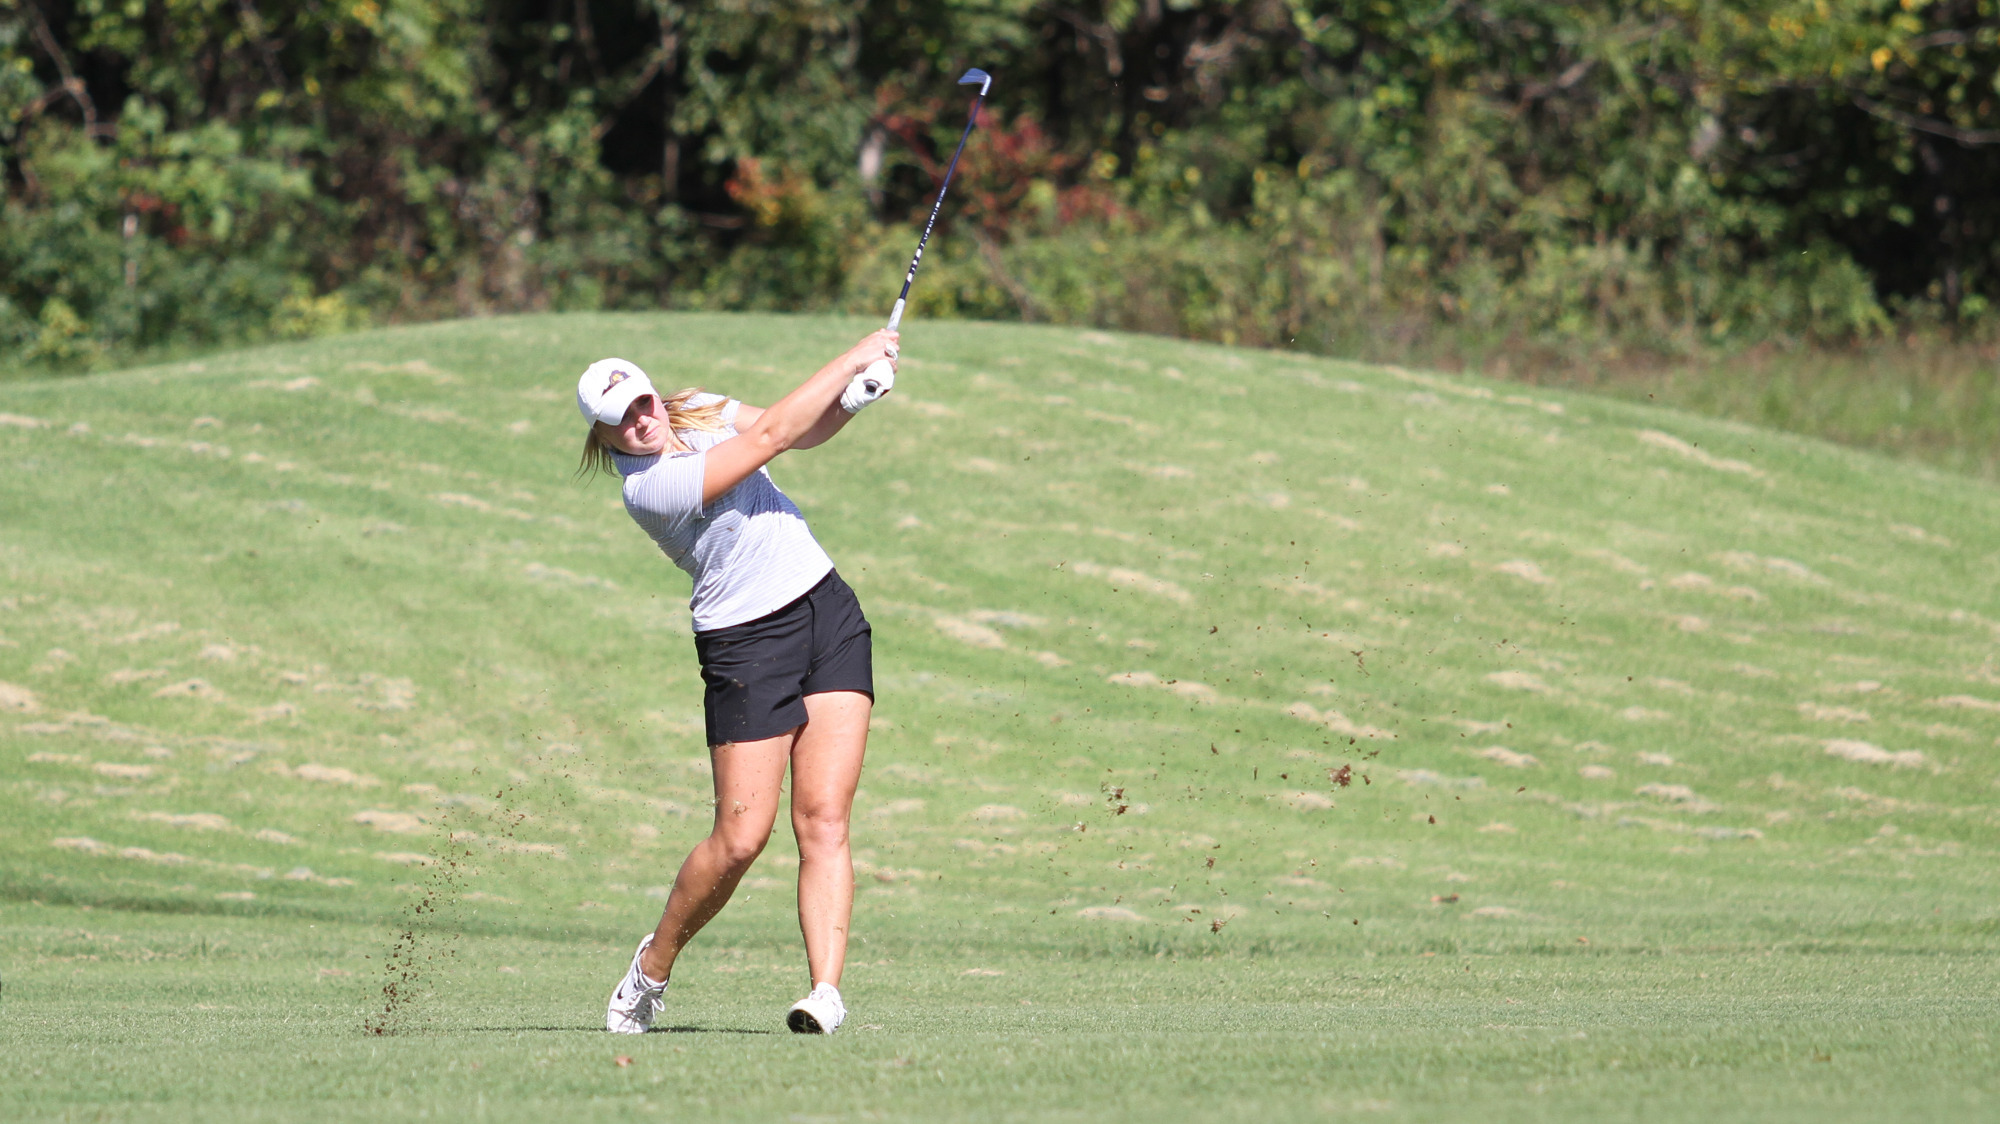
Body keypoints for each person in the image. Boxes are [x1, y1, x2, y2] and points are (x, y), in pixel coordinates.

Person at [576, 328, 899, 1035]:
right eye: (622, 421)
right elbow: (773, 437)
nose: (641, 420)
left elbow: (802, 433)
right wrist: (851, 353)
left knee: (824, 819)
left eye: (642, 402)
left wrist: (852, 398)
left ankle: (825, 992)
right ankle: (651, 968)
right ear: (607, 440)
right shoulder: (651, 490)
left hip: (828, 611)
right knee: (740, 839)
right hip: (748, 645)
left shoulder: (695, 408)